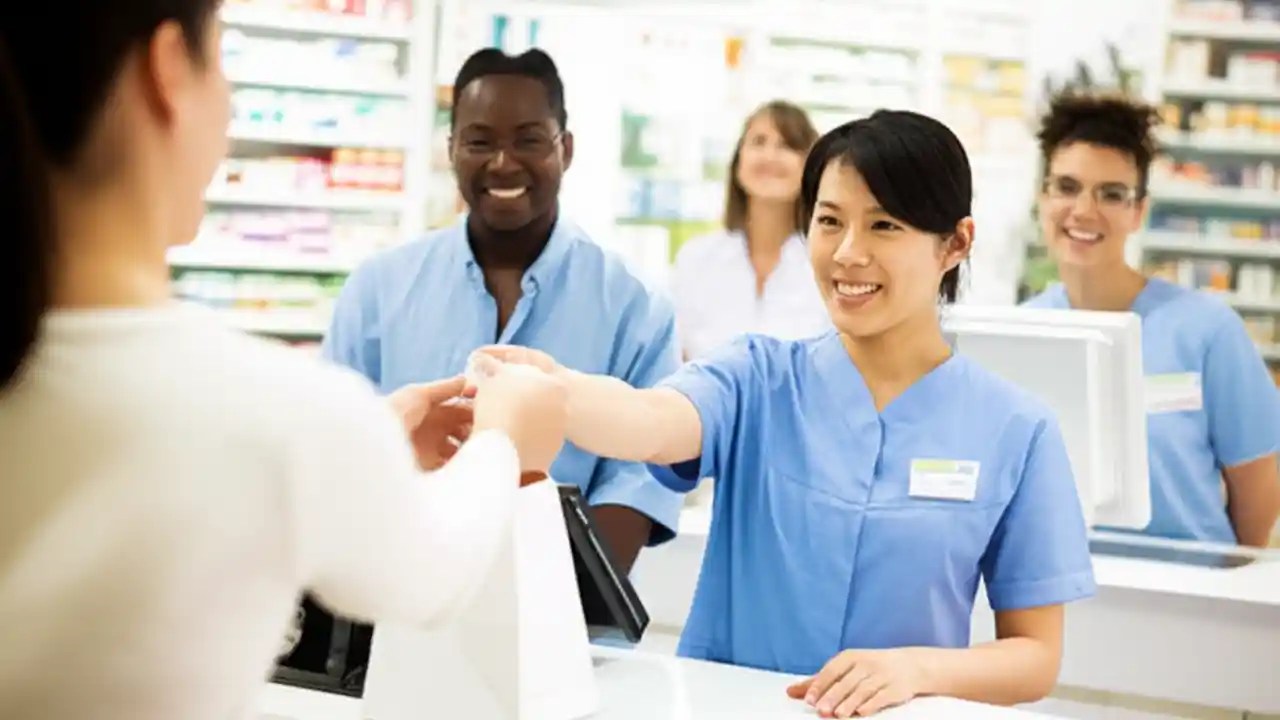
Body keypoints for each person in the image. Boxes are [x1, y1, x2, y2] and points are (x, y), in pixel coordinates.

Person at [0, 6, 568, 720]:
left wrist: (373, 438)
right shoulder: (277, 412)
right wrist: (502, 440)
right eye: (223, 62)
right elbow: (434, 573)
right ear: (169, 69)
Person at [474, 111, 1097, 718]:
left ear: (955, 243)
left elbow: (1035, 656)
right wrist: (558, 388)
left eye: (883, 226)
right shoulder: (757, 377)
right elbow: (651, 422)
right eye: (829, 222)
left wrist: (916, 669)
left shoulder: (1017, 429)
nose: (848, 253)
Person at [323, 47, 683, 570]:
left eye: (529, 140)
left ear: (568, 149)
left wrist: (549, 608)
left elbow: (637, 487)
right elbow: (332, 462)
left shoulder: (637, 308)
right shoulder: (378, 289)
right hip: (394, 610)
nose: (503, 162)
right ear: (450, 151)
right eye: (480, 142)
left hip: (563, 624)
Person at [1022, 93, 1280, 547]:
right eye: (1066, 186)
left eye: (1112, 194)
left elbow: (1257, 489)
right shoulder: (1026, 331)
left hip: (1190, 594)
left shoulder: (1206, 330)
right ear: (1043, 197)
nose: (1083, 210)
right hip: (1066, 592)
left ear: (1138, 211)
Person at [671, 100, 829, 360]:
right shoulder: (695, 259)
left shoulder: (829, 264)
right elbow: (675, 357)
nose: (770, 156)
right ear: (737, 163)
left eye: (787, 145)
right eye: (758, 141)